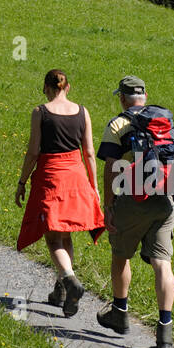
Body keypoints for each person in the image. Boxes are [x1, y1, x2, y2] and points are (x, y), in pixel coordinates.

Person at [96, 75, 174, 348]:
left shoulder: (119, 123)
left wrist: (108, 206)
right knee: (162, 263)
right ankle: (165, 331)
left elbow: (110, 167)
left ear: (122, 97)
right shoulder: (165, 121)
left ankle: (120, 313)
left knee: (121, 256)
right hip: (165, 199)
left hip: (132, 197)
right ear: (144, 96)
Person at [15, 69, 107, 318]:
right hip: (76, 175)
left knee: (53, 238)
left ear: (46, 87)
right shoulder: (82, 112)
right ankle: (62, 293)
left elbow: (33, 152)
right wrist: (94, 187)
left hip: (52, 176)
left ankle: (69, 281)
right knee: (65, 235)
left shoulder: (40, 112)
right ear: (68, 87)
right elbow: (89, 152)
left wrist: (22, 181)